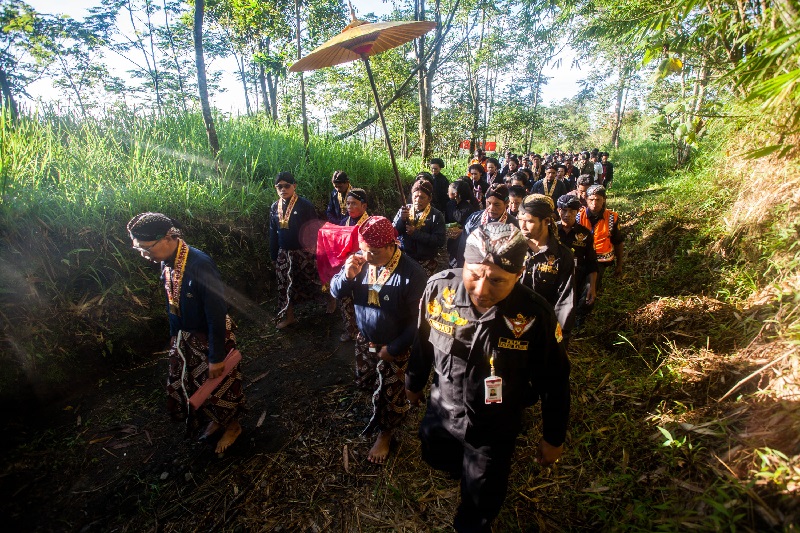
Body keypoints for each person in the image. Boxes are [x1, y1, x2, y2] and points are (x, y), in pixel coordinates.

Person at [406, 223, 571, 533]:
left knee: (483, 493)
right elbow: (422, 342)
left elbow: (555, 380)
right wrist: (414, 382)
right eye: (474, 275)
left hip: (495, 424)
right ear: (462, 263)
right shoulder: (439, 291)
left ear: (519, 273)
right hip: (443, 408)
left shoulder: (535, 315)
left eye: (497, 281)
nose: (482, 290)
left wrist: (554, 437)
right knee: (437, 455)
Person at [127, 213, 245, 454]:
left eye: (146, 248)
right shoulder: (167, 262)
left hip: (210, 339)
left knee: (220, 385)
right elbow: (172, 305)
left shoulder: (199, 264)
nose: (144, 255)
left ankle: (233, 425)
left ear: (168, 238)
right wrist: (174, 340)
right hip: (185, 340)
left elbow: (216, 313)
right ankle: (216, 420)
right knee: (197, 386)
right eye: (139, 249)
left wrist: (216, 356)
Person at [330, 216, 427, 464]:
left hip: (395, 345)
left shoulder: (412, 274)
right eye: (363, 249)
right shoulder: (361, 262)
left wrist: (394, 348)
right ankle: (378, 407)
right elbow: (335, 290)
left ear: (390, 245)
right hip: (365, 339)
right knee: (370, 382)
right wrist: (347, 276)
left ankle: (386, 434)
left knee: (391, 391)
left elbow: (420, 321)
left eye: (372, 251)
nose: (365, 256)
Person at [517, 194, 577, 341]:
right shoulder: (511, 249)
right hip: (512, 327)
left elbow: (565, 302)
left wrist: (558, 337)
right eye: (520, 220)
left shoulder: (562, 256)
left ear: (546, 221)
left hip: (542, 330)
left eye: (529, 221)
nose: (522, 226)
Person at [269, 172, 320, 330]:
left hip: (304, 252)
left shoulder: (305, 205)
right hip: (284, 253)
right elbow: (272, 232)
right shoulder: (274, 207)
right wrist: (273, 255)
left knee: (313, 279)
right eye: (279, 187)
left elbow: (314, 229)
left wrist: (316, 252)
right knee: (284, 285)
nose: (283, 189)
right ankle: (290, 317)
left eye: (286, 186)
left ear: (294, 186)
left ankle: (330, 299)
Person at [557, 194, 597, 327]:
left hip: (576, 277)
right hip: (553, 275)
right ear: (558, 211)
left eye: (571, 211)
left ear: (577, 212)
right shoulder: (550, 231)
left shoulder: (584, 234)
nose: (567, 214)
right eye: (564, 210)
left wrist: (592, 286)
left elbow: (591, 262)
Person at [393, 179, 447, 277]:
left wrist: (416, 234)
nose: (418, 200)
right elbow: (393, 233)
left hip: (426, 261)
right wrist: (401, 220)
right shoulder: (405, 210)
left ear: (429, 198)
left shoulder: (436, 215)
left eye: (422, 197)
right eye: (415, 196)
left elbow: (440, 240)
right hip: (405, 258)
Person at [456, 184, 517, 267]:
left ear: (506, 203)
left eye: (497, 204)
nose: (491, 208)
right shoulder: (474, 218)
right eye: (489, 203)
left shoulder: (514, 225)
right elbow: (463, 247)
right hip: (474, 266)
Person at [577, 185, 623, 291]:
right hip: (582, 257)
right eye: (591, 199)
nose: (594, 203)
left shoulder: (612, 217)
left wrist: (619, 264)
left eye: (598, 200)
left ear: (604, 200)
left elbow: (618, 241)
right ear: (586, 199)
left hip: (601, 258)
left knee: (591, 287)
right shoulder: (578, 217)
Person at [338, 188, 371, 341]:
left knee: (364, 299)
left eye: (354, 204)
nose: (349, 207)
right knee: (345, 298)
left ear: (364, 206)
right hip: (348, 268)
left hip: (366, 269)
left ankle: (365, 331)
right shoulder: (344, 222)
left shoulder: (371, 224)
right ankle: (350, 330)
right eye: (348, 203)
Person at [445, 180, 479, 268]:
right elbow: (447, 220)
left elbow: (474, 227)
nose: (447, 192)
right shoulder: (449, 204)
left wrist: (461, 231)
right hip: (452, 238)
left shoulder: (469, 208)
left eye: (449, 190)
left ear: (455, 193)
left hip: (464, 239)